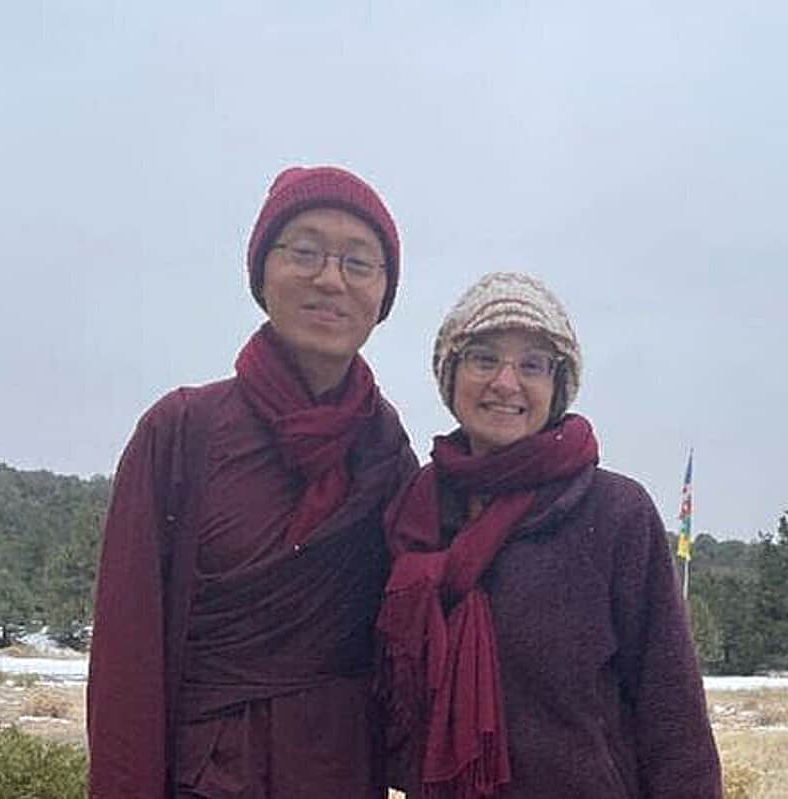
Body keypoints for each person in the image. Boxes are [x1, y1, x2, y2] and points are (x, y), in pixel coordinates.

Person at [88, 165, 418, 798]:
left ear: (384, 295)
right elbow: (126, 660)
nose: (330, 278)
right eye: (305, 252)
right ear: (262, 273)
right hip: (208, 773)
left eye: (358, 262)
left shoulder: (386, 454)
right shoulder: (182, 431)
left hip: (338, 774)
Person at [376, 272, 722, 798]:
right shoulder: (416, 513)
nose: (506, 383)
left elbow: (671, 712)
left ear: (557, 385)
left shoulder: (615, 513)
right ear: (450, 375)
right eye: (484, 357)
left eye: (532, 365)